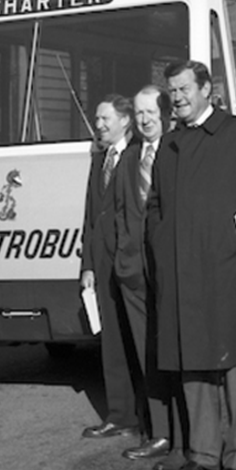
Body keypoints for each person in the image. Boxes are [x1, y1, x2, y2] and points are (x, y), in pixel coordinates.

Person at [146, 60, 236, 470]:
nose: (178, 97)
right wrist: (162, 248)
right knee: (194, 364)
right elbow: (155, 207)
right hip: (182, 273)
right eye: (172, 91)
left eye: (185, 89)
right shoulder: (169, 143)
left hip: (230, 268)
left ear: (207, 88)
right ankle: (202, 455)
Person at [117, 85, 181, 463]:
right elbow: (120, 214)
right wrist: (122, 264)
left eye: (150, 113)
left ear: (165, 114)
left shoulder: (178, 151)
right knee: (146, 352)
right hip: (134, 273)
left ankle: (186, 431)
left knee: (176, 351)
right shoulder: (128, 159)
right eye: (138, 114)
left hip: (171, 269)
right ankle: (158, 432)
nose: (144, 120)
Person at [78, 94, 147, 443]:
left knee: (138, 340)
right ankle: (120, 415)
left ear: (125, 121)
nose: (99, 125)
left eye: (105, 119)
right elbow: (92, 215)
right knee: (112, 343)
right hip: (102, 264)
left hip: (130, 262)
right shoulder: (99, 158)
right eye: (97, 119)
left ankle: (149, 419)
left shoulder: (138, 155)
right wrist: (88, 265)